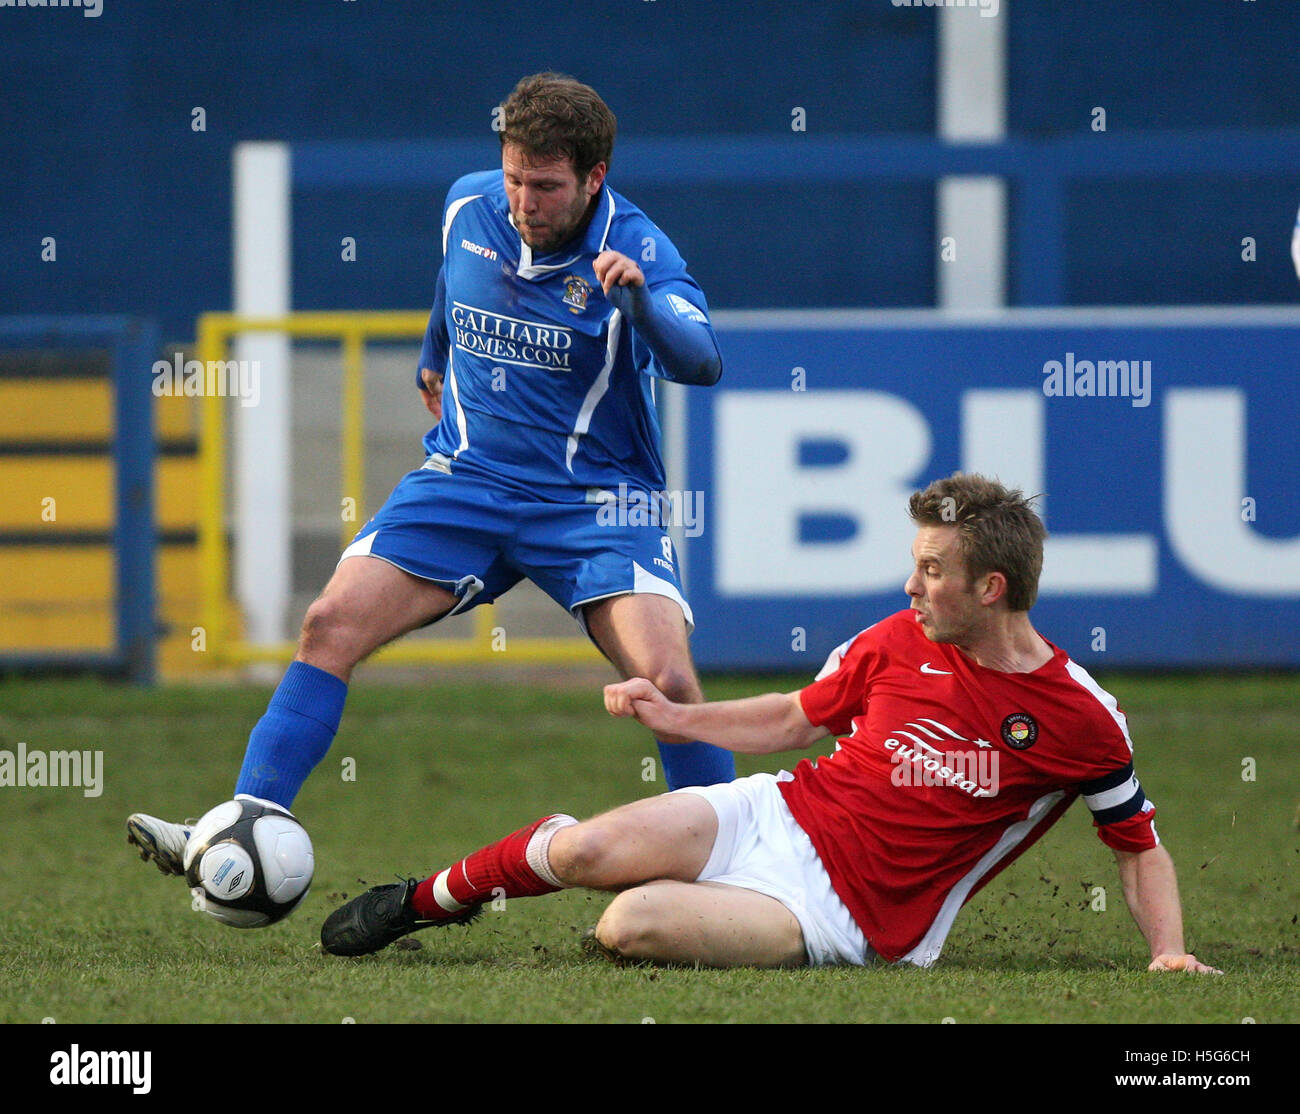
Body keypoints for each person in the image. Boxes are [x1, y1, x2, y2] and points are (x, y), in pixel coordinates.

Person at [126, 72, 734, 882]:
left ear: (594, 178)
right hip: (466, 481)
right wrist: (433, 351)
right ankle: (238, 829)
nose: (525, 201)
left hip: (593, 503)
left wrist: (642, 309)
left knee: (668, 681)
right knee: (328, 626)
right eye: (516, 177)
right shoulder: (467, 204)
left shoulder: (643, 252)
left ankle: (739, 870)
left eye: (547, 186)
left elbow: (704, 361)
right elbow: (454, 279)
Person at [320, 473, 1220, 975]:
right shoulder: (898, 639)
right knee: (587, 851)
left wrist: (1169, 954)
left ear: (991, 588)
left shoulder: (1082, 717)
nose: (912, 587)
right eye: (914, 564)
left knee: (626, 924)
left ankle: (666, 903)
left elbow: (1136, 847)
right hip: (780, 810)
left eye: (932, 570)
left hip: (845, 918)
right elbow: (797, 718)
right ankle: (424, 901)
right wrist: (678, 713)